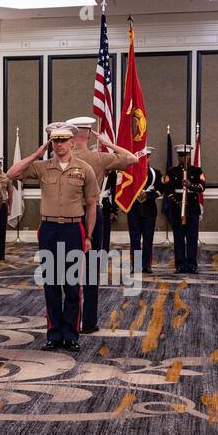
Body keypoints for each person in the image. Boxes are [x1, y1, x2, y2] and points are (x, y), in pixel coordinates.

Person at [6, 124, 99, 351]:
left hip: (73, 230)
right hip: (48, 229)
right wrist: (38, 152)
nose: (59, 145)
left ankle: (71, 335)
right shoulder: (41, 167)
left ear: (72, 142)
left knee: (72, 284)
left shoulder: (84, 169)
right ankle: (54, 334)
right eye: (55, 141)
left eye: (63, 140)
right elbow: (12, 173)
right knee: (51, 284)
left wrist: (89, 236)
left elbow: (91, 205)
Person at [64, 116, 147, 334]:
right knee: (91, 268)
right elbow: (131, 158)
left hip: (67, 214)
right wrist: (108, 144)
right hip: (93, 212)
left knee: (64, 266)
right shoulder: (98, 157)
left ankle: (69, 319)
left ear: (71, 135)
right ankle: (89, 322)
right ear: (89, 134)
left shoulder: (63, 157)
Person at [162, 143, 204, 273]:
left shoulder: (197, 171)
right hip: (177, 207)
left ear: (189, 156)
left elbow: (202, 187)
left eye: (185, 155)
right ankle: (180, 265)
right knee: (179, 238)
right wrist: (177, 202)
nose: (183, 158)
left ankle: (192, 265)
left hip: (192, 207)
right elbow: (168, 190)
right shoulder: (171, 171)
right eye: (180, 156)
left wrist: (190, 185)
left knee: (192, 238)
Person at [127, 160, 159, 273]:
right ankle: (135, 265)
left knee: (148, 239)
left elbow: (160, 190)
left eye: (147, 157)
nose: (145, 159)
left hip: (149, 211)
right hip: (134, 210)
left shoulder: (156, 173)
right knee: (134, 239)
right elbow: (126, 189)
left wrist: (148, 195)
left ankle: (146, 265)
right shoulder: (131, 173)